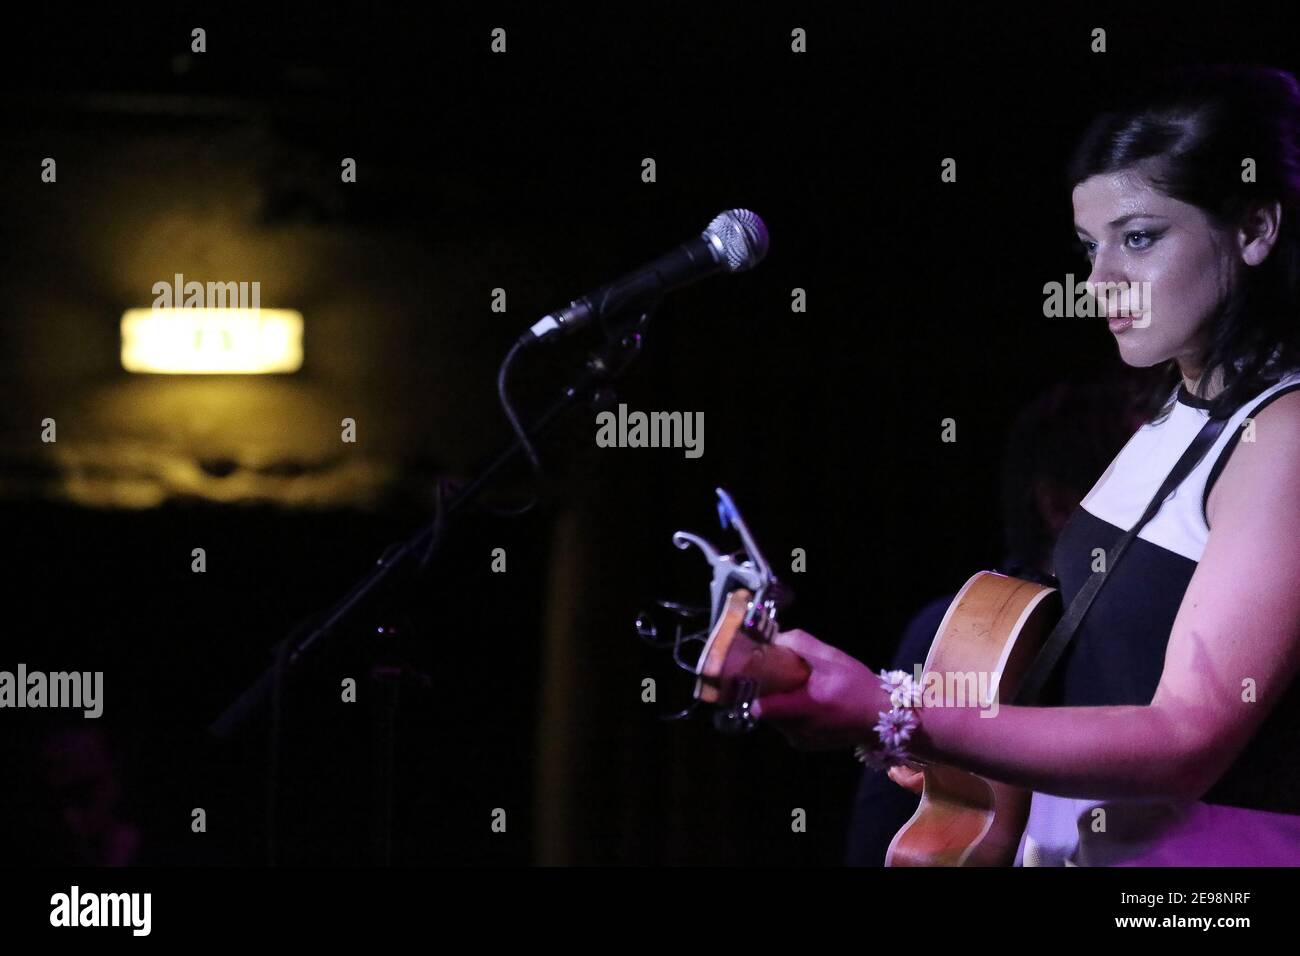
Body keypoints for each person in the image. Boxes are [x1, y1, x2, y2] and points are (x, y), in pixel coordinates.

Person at [755, 63, 1300, 866]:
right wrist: (960, 740)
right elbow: (1102, 683)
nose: (1099, 281)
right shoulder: (1173, 414)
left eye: (1139, 238)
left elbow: (1186, 738)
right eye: (1089, 247)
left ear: (1254, 229)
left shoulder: (1282, 433)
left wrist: (896, 710)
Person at [845, 378, 1143, 865]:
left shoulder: (1134, 628)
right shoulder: (961, 627)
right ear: (1058, 505)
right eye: (1141, 496)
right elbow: (881, 841)